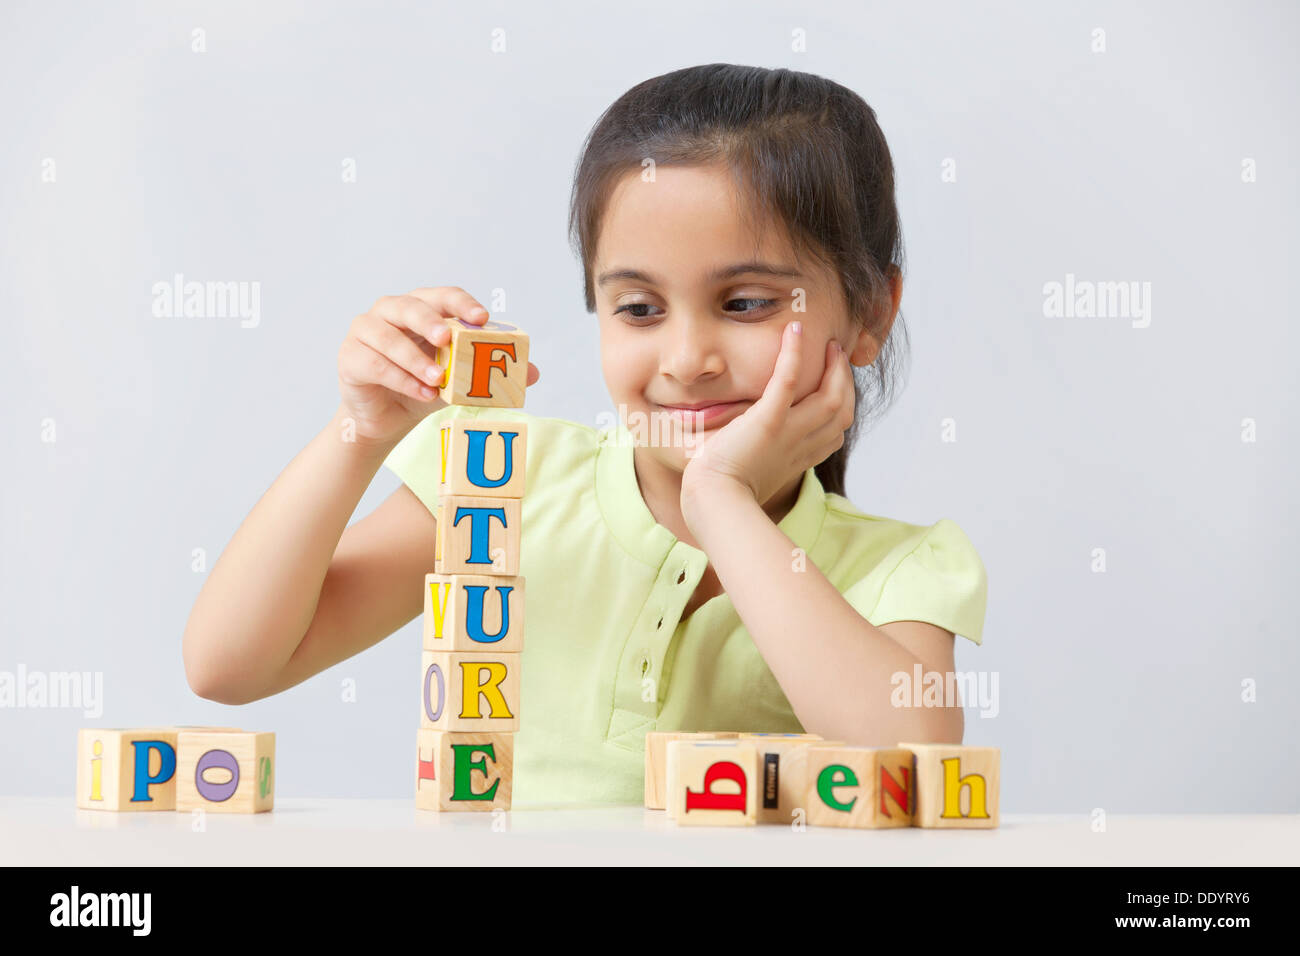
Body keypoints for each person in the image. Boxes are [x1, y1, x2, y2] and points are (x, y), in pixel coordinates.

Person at [183, 63, 988, 805]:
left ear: (871, 313)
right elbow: (228, 665)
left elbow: (911, 766)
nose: (687, 360)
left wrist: (722, 500)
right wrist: (357, 433)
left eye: (746, 304)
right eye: (639, 309)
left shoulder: (900, 567)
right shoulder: (504, 483)